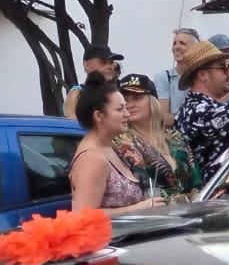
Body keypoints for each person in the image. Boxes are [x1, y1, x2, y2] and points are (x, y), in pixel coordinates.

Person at [69, 74, 163, 215]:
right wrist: (138, 208)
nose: (127, 114)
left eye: (125, 108)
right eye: (120, 109)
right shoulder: (92, 158)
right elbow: (82, 216)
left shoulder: (110, 148)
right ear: (99, 116)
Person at [114, 73, 201, 201]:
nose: (130, 104)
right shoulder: (121, 142)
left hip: (190, 212)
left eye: (137, 98)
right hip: (153, 215)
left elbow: (196, 179)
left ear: (152, 101)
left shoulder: (175, 137)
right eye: (125, 100)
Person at [174, 39, 229, 173]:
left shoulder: (193, 107)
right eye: (224, 67)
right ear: (202, 75)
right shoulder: (202, 111)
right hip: (215, 191)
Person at [63, 45, 123, 120]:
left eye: (111, 63)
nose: (109, 67)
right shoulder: (76, 95)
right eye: (103, 62)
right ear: (86, 65)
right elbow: (73, 126)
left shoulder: (118, 93)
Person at [153, 28, 200, 119]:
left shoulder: (203, 76)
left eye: (182, 43)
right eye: (174, 43)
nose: (176, 47)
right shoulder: (163, 77)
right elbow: (163, 117)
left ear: (195, 48)